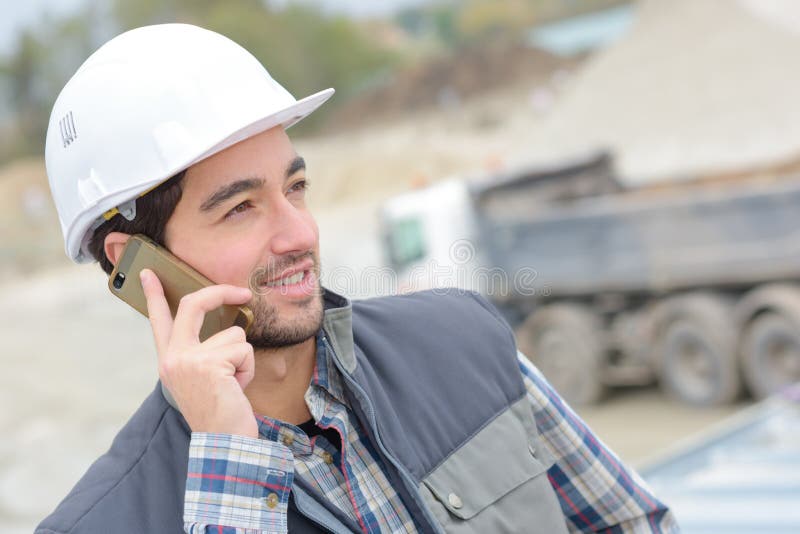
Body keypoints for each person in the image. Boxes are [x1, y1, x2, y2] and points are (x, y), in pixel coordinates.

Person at [37, 23, 678, 534]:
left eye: (296, 187)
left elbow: (635, 523)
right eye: (240, 208)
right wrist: (231, 465)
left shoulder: (465, 341)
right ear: (131, 262)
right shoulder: (100, 522)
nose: (299, 234)